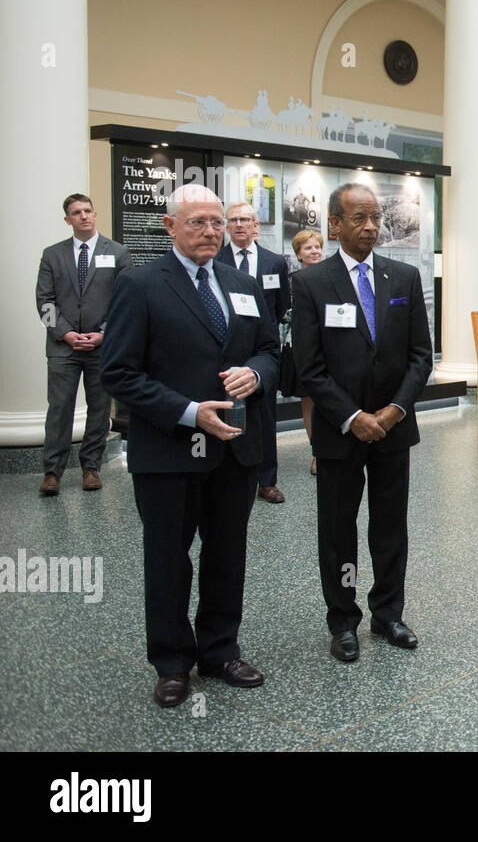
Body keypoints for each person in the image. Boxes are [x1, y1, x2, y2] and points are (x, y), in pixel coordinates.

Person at [101, 184, 279, 708]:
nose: (209, 232)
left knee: (227, 553)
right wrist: (188, 412)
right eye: (197, 222)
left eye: (216, 223)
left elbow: (271, 349)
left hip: (234, 451)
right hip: (169, 451)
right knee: (168, 560)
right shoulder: (140, 285)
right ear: (170, 227)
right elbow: (119, 372)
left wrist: (257, 373)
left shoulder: (241, 283)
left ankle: (221, 650)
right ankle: (172, 661)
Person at [291, 183, 433, 661]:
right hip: (339, 431)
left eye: (376, 217)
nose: (371, 226)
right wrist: (352, 417)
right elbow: (308, 368)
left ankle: (389, 612)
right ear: (334, 223)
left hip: (393, 428)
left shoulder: (404, 277)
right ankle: (343, 620)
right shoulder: (311, 283)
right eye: (358, 218)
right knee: (338, 528)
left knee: (390, 524)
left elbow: (419, 356)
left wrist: (394, 410)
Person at [35, 193, 131, 496]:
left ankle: (91, 467)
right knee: (59, 409)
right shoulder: (53, 254)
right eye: (76, 213)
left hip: (102, 346)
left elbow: (124, 301)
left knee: (99, 408)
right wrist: (64, 333)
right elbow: (45, 301)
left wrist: (104, 332)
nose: (83, 216)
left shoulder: (117, 252)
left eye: (88, 210)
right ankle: (52, 472)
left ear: (95, 213)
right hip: (63, 347)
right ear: (68, 220)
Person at [217, 202, 291, 503]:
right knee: (223, 410)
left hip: (262, 353)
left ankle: (267, 479)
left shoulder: (275, 262)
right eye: (232, 220)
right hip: (226, 349)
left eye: (244, 219)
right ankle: (228, 474)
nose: (238, 225)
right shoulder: (217, 259)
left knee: (264, 417)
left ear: (255, 224)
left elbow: (281, 305)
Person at [279, 229, 324, 476]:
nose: (314, 251)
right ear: (298, 253)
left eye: (317, 246)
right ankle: (316, 452)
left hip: (329, 347)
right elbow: (282, 311)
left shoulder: (330, 276)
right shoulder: (291, 281)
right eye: (308, 248)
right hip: (299, 346)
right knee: (308, 400)